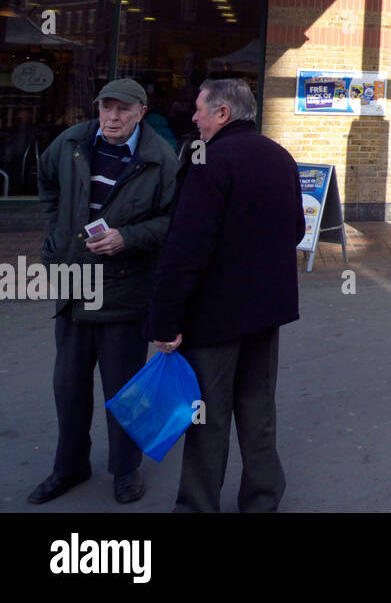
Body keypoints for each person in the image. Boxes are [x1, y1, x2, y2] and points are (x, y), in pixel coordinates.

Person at [148, 78, 304, 512]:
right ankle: (262, 500)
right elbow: (296, 230)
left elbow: (186, 249)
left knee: (208, 418)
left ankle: (197, 506)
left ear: (223, 113)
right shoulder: (279, 156)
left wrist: (164, 320)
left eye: (200, 109)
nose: (193, 117)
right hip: (265, 313)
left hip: (214, 317)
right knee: (258, 410)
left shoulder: (208, 161)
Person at [28, 78, 179, 506]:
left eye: (122, 110)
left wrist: (127, 238)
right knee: (70, 387)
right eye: (106, 108)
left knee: (124, 391)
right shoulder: (72, 141)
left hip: (126, 289)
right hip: (76, 286)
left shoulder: (159, 159)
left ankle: (125, 470)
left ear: (140, 111)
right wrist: (60, 231)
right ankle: (70, 466)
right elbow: (47, 182)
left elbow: (173, 221)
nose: (112, 117)